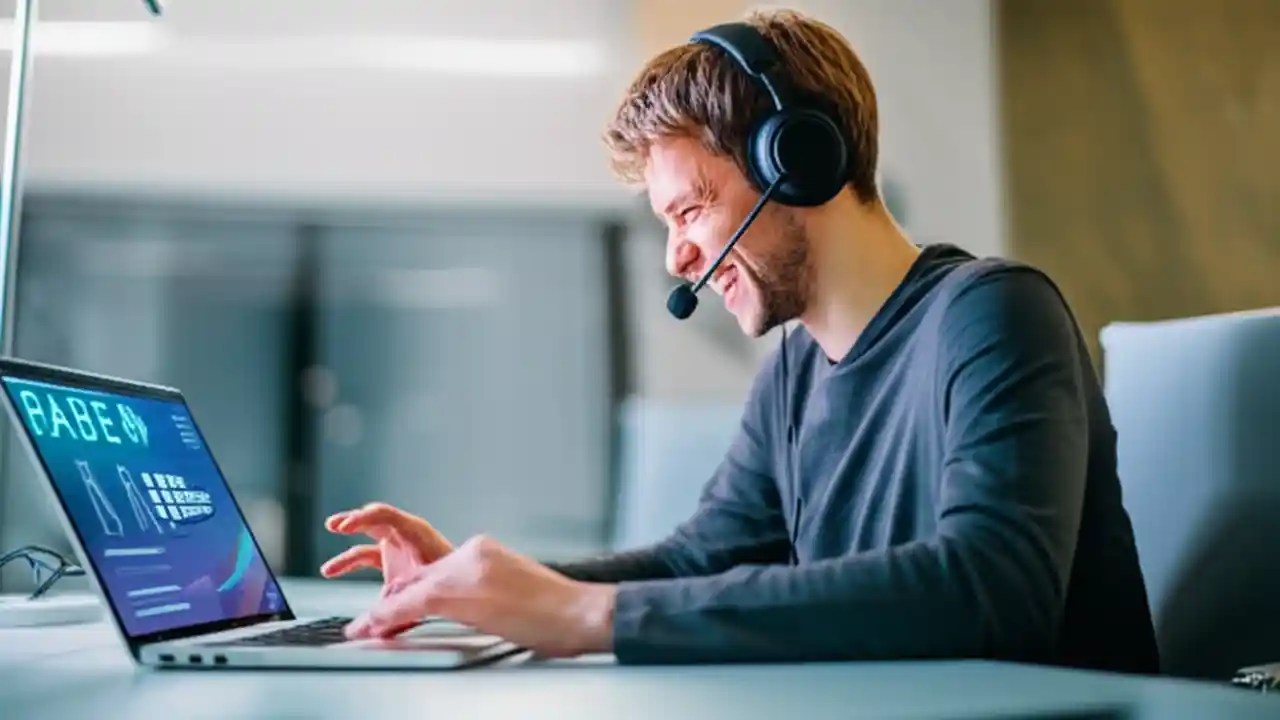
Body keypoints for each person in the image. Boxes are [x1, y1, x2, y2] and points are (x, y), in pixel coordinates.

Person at [320, 8, 1160, 672]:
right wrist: (483, 588)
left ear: (798, 162)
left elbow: (991, 591)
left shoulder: (993, 313)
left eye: (690, 209)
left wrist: (583, 617)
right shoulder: (793, 372)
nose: (677, 253)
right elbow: (699, 563)